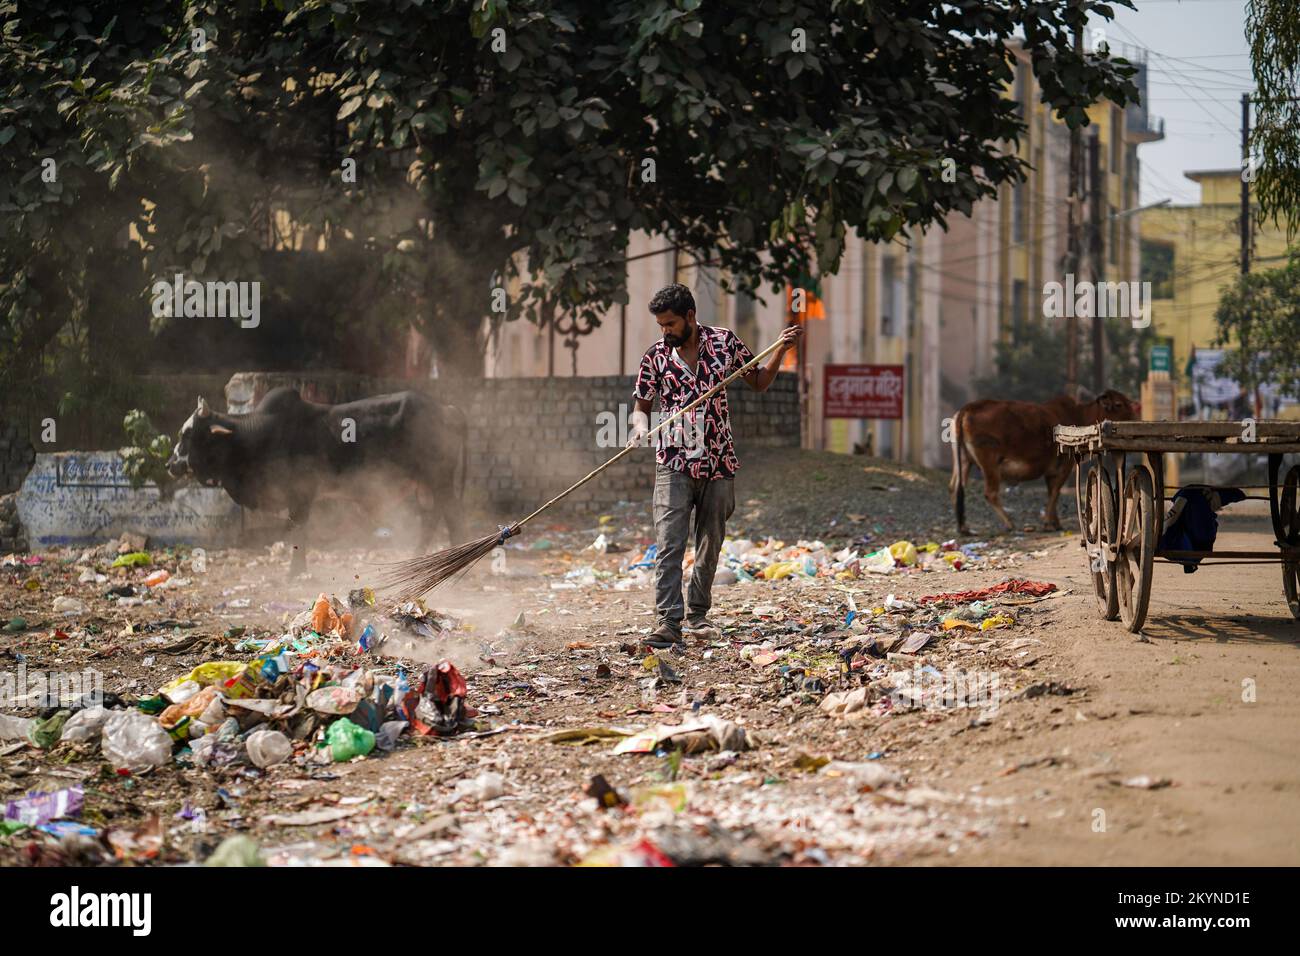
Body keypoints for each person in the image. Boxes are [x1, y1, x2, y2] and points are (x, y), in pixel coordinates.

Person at [628, 283, 802, 647]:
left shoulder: (724, 343)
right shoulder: (656, 356)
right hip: (673, 460)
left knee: (710, 543)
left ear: (690, 316)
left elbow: (759, 383)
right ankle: (668, 622)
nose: (666, 331)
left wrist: (781, 350)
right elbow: (641, 407)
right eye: (661, 325)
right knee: (669, 544)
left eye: (671, 323)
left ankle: (697, 616)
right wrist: (640, 429)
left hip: (719, 460)